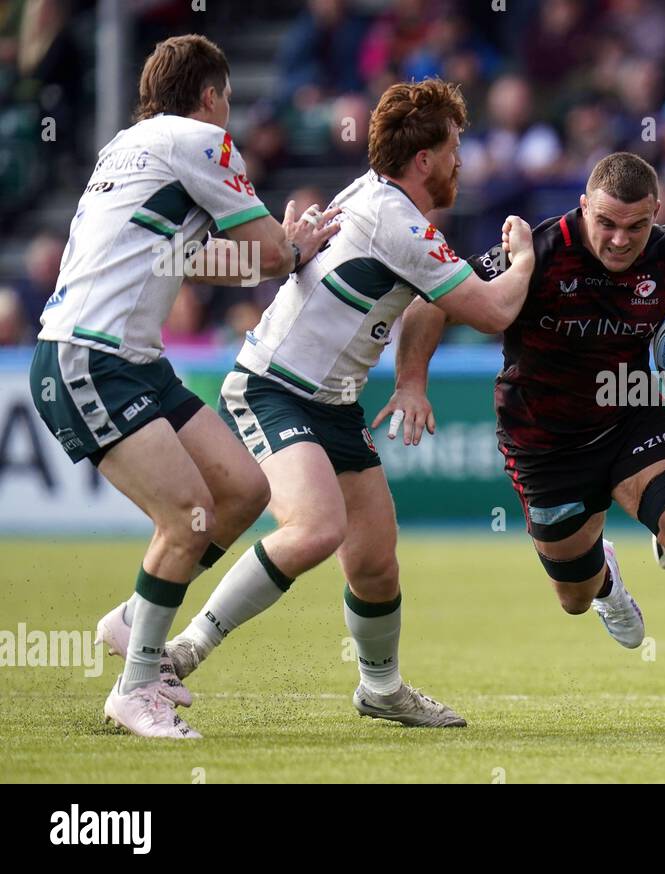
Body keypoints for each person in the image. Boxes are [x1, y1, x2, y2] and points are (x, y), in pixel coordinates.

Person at [99, 78, 537, 730]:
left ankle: (380, 689)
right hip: (273, 388)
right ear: (423, 160)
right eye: (453, 148)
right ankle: (181, 648)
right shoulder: (398, 222)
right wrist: (524, 259)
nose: (459, 162)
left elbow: (426, 303)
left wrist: (412, 383)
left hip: (331, 405)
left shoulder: (383, 204)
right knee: (315, 529)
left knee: (374, 563)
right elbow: (494, 306)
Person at [397, 152, 665, 730]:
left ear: (656, 214)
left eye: (636, 226)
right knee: (572, 595)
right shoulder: (536, 251)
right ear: (584, 207)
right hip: (544, 439)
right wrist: (412, 383)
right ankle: (605, 578)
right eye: (607, 223)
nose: (621, 240)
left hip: (634, 416)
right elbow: (430, 304)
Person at [31, 35, 338, 738]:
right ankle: (136, 689)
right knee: (187, 515)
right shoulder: (201, 141)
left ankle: (136, 619)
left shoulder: (132, 145)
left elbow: (197, 259)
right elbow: (266, 251)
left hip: (125, 357)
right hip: (91, 357)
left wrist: (281, 253)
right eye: (226, 96)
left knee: (242, 490)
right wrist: (293, 246)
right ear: (210, 95)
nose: (228, 110)